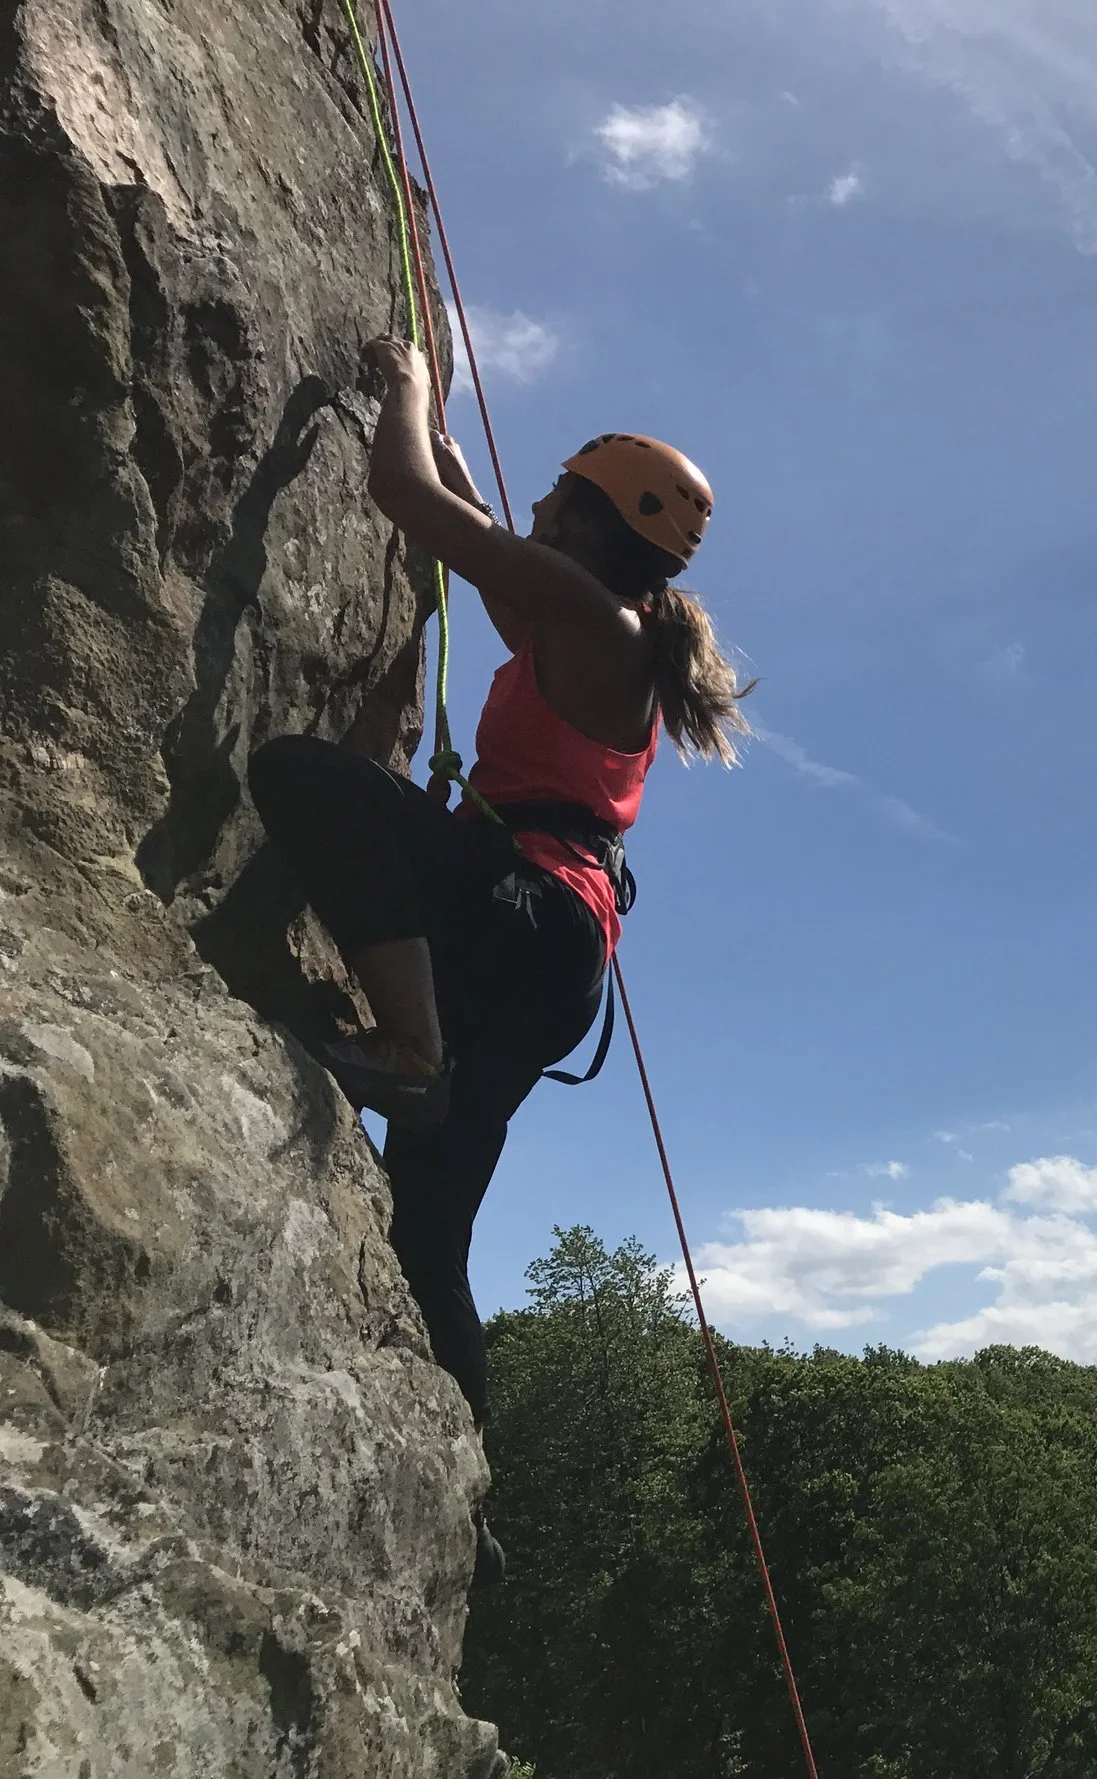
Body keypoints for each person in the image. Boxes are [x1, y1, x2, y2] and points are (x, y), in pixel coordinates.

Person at [250, 334, 748, 1582]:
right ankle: (467, 1509)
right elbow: (466, 519)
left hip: (528, 914)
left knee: (306, 775)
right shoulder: (593, 619)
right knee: (429, 1243)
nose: (531, 508)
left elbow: (411, 506)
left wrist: (409, 392)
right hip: (545, 955)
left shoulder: (589, 613)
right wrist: (448, 428)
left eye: (553, 501)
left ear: (586, 529)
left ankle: (409, 1045)